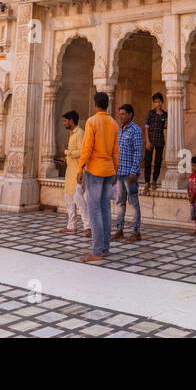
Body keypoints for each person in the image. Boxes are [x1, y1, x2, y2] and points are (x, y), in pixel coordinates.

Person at [77, 92, 119, 263]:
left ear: (95, 104)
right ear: (107, 105)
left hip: (95, 171)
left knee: (94, 211)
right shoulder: (114, 123)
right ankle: (105, 248)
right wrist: (115, 169)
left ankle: (96, 250)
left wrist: (80, 167)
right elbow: (116, 151)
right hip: (109, 170)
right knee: (105, 210)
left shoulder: (92, 121)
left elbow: (87, 147)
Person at [113, 104, 143, 242]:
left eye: (124, 114)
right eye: (120, 114)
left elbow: (138, 152)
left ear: (130, 115)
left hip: (130, 174)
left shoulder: (135, 130)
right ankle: (119, 230)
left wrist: (134, 171)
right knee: (120, 202)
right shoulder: (120, 130)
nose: (121, 116)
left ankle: (136, 231)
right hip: (119, 172)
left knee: (134, 202)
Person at [61, 110, 89, 235]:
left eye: (65, 121)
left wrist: (68, 153)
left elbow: (83, 152)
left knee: (79, 199)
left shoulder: (80, 133)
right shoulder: (72, 134)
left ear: (71, 121)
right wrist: (66, 158)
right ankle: (71, 226)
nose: (64, 123)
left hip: (78, 171)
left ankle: (87, 226)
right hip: (70, 171)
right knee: (69, 199)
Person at [144, 92, 167, 188]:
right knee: (148, 161)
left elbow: (165, 128)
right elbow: (146, 127)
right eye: (156, 102)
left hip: (160, 141)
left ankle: (154, 181)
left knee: (158, 162)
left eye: (159, 101)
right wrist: (147, 141)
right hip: (150, 140)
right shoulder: (151, 113)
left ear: (162, 102)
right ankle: (146, 181)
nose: (158, 104)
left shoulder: (165, 114)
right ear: (154, 103)